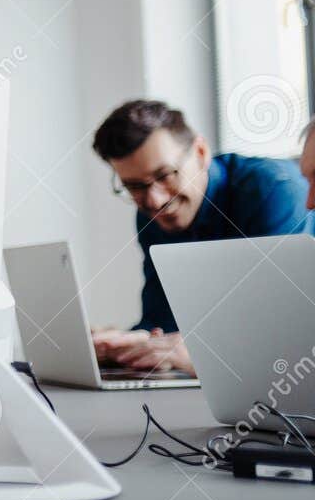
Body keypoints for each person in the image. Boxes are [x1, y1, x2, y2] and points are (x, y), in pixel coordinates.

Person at [90, 99, 314, 375]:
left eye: (165, 175)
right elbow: (163, 321)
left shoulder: (275, 190)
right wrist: (127, 343)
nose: (155, 199)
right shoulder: (151, 215)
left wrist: (196, 352)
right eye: (134, 186)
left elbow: (275, 333)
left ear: (201, 151)